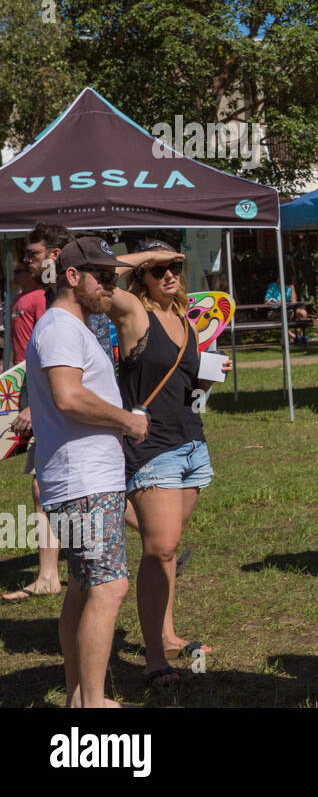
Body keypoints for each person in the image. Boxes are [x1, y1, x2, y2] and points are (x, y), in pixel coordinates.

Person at [25, 237, 149, 707]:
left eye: (113, 277)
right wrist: (127, 421)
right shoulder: (61, 328)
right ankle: (93, 705)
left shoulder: (71, 326)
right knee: (109, 586)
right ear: (72, 276)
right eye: (101, 276)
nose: (109, 286)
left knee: (82, 586)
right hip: (82, 481)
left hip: (79, 480)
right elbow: (68, 397)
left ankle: (80, 698)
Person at [108, 240, 230, 687]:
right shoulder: (134, 315)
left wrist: (213, 373)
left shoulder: (185, 321)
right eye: (158, 269)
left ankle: (168, 634)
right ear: (142, 275)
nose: (169, 274)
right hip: (152, 447)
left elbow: (186, 383)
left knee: (168, 550)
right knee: (158, 551)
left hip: (190, 445)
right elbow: (102, 278)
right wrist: (144, 258)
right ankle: (155, 658)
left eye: (175, 265)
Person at [3, 224, 116, 605]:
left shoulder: (66, 305)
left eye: (35, 254)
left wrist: (38, 403)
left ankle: (157, 542)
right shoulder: (44, 297)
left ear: (57, 257)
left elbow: (78, 367)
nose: (28, 261)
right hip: (44, 401)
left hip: (60, 411)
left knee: (52, 488)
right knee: (44, 488)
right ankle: (51, 573)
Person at [10, 263, 46, 362]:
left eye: (18, 272)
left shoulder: (40, 296)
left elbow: (43, 330)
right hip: (18, 361)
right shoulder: (17, 297)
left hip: (33, 360)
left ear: (30, 274)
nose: (14, 275)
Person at [264, 276, 310, 343]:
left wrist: (292, 288)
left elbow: (293, 302)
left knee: (303, 313)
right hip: (274, 312)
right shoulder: (272, 286)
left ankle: (302, 335)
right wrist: (277, 301)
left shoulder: (289, 287)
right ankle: (293, 336)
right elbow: (266, 300)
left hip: (288, 310)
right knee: (284, 318)